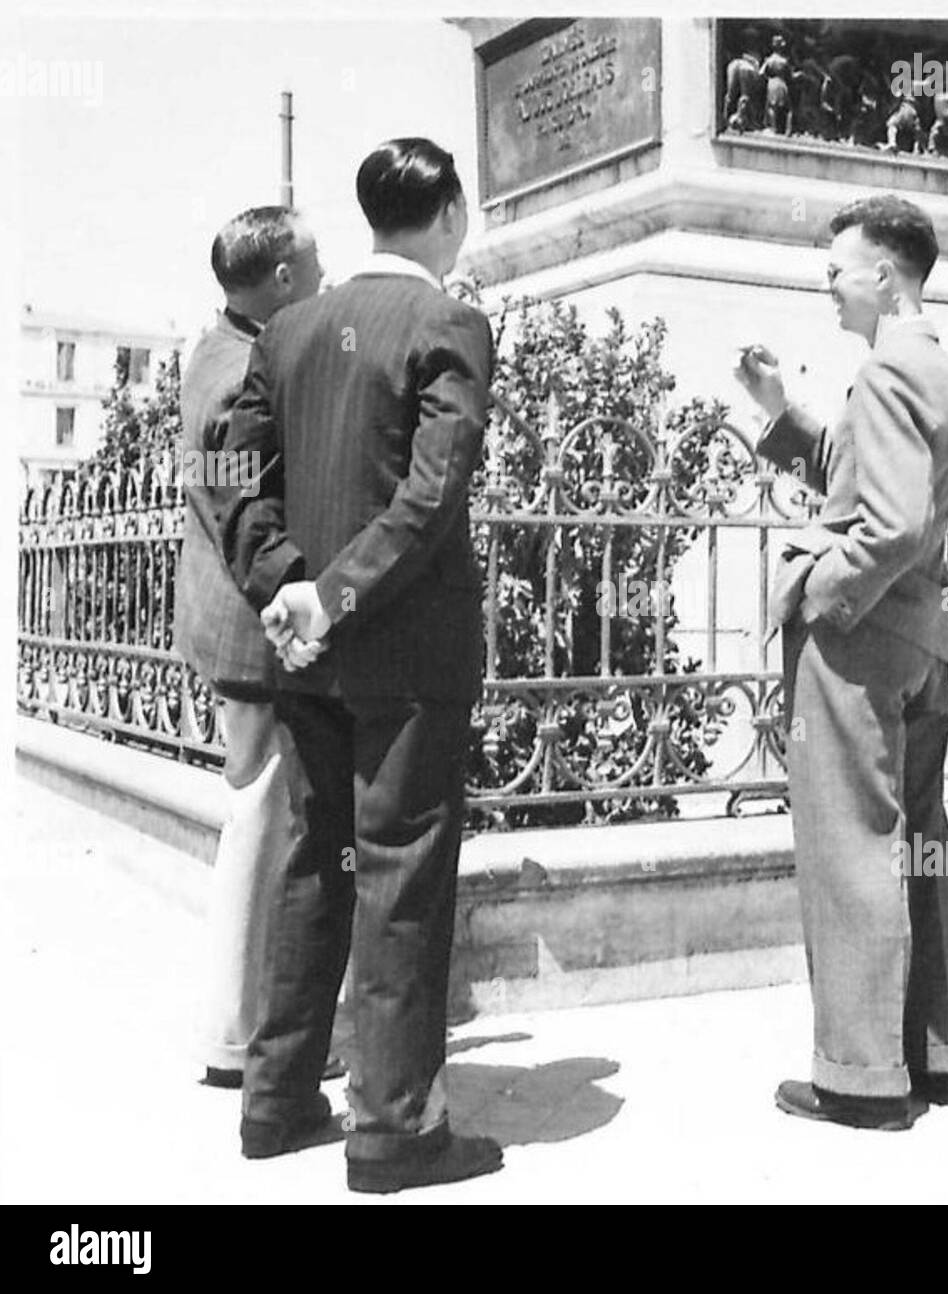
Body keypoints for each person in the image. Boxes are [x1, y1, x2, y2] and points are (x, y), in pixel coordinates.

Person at [218, 138, 501, 1192]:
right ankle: (392, 1132)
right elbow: (430, 495)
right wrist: (332, 593)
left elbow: (229, 476)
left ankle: (277, 1100)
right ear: (450, 213)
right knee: (400, 878)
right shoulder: (448, 322)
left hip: (304, 653)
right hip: (407, 654)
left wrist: (288, 584)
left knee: (315, 867)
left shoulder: (283, 329)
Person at [733, 193, 948, 1130]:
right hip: (922, 642)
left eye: (836, 271)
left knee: (851, 849)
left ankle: (861, 1079)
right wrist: (780, 412)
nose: (826, 287)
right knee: (917, 842)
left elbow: (885, 523)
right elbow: (876, 473)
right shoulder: (938, 370)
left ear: (885, 274)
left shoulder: (882, 373)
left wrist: (813, 592)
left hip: (862, 643)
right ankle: (936, 1053)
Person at [172, 206, 349, 1091]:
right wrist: (286, 601)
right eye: (313, 261)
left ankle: (241, 1025)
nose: (323, 272)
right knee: (262, 816)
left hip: (227, 624)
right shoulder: (241, 366)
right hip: (252, 630)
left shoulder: (220, 349)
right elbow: (229, 505)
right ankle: (240, 1035)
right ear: (280, 277)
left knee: (259, 809)